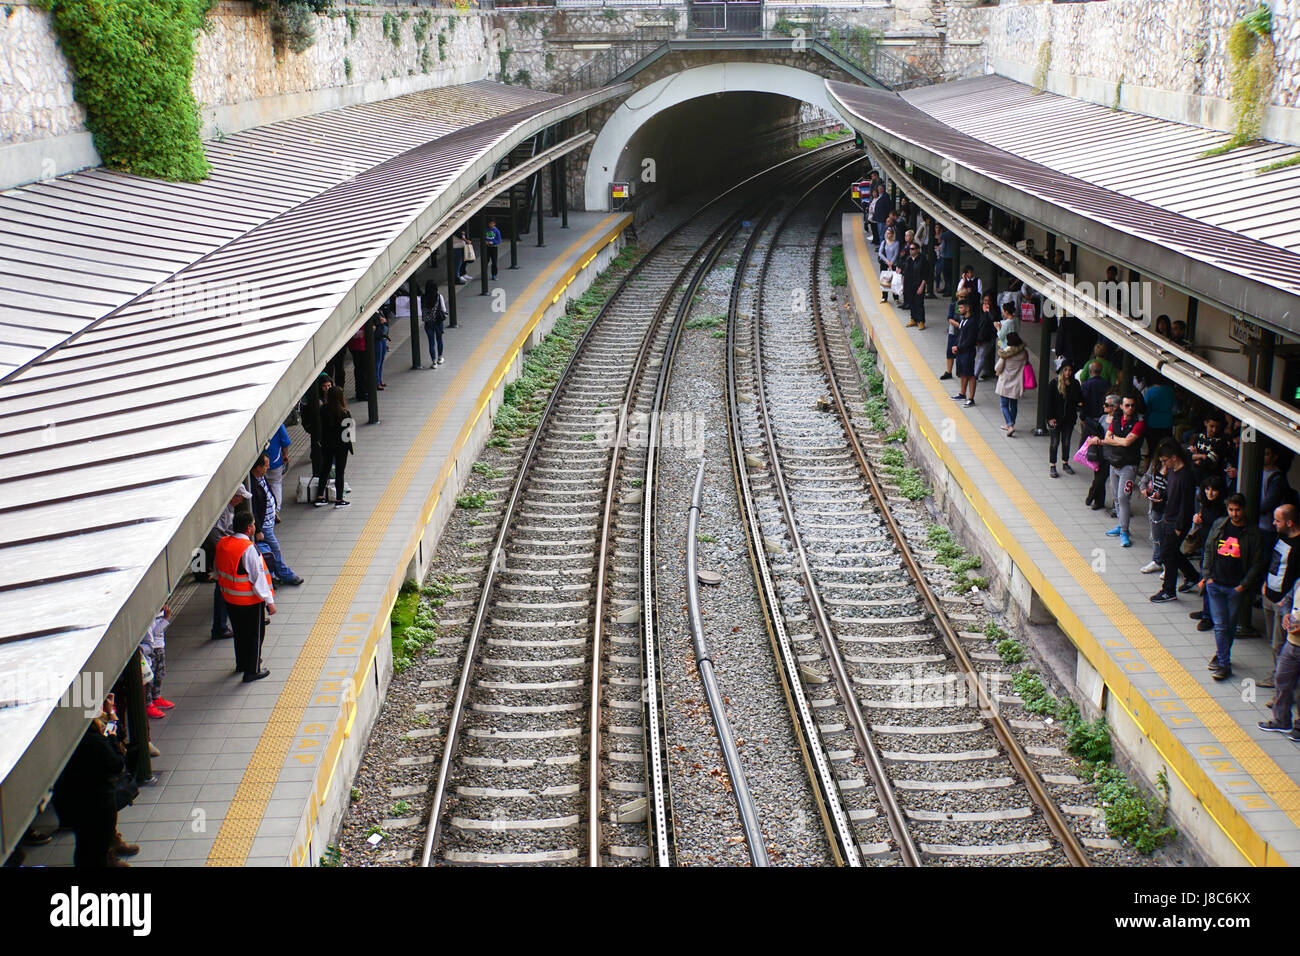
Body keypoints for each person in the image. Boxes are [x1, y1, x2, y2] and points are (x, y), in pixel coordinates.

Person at [52, 705, 131, 867]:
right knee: (95, 847)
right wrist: (110, 715)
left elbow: (115, 736)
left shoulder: (71, 738)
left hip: (77, 803)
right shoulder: (94, 740)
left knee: (85, 846)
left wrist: (110, 715)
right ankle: (107, 858)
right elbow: (116, 760)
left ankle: (108, 855)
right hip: (97, 802)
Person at [1199, 493, 1265, 680]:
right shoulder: (1220, 525)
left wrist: (1243, 586)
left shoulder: (1253, 533)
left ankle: (1221, 655)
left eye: (1237, 510)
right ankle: (1224, 664)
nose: (1234, 514)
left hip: (1235, 587)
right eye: (1231, 510)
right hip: (1216, 583)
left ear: (1243, 510)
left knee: (1229, 626)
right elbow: (1209, 549)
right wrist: (1207, 576)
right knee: (1220, 625)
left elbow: (1256, 563)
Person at [217, 508, 275, 682]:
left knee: (240, 633)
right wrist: (269, 601)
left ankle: (242, 663)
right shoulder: (248, 549)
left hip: (230, 599)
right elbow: (258, 579)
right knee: (255, 634)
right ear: (249, 528)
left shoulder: (223, 543)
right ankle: (253, 669)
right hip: (249, 601)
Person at [1150, 440, 1199, 602]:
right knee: (1172, 553)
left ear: (1174, 457)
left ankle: (1168, 590)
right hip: (1168, 518)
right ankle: (1192, 576)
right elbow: (1170, 493)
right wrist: (1161, 495)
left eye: (1165, 461)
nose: (1164, 465)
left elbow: (1186, 504)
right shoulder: (1172, 472)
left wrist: (1179, 527)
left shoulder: (1186, 476)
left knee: (1167, 555)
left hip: (1177, 523)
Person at [1259, 504, 1300, 690]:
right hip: (1269, 593)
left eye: (1278, 520)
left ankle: (1282, 684)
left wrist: (1287, 601)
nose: (1274, 523)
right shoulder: (1280, 536)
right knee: (1273, 642)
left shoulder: (1298, 547)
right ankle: (1278, 677)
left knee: (1279, 645)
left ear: (1290, 523)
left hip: (1283, 602)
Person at [205, 485, 252, 639]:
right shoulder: (223, 511)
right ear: (234, 496)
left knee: (224, 589)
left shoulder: (228, 509)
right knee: (222, 590)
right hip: (225, 556)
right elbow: (215, 534)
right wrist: (229, 548)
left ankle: (223, 625)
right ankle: (219, 627)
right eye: (240, 497)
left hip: (226, 553)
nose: (241, 500)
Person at [250, 452, 304, 586]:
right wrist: (259, 529)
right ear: (258, 467)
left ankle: (272, 575)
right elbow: (254, 510)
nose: (268, 468)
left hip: (268, 521)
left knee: (269, 550)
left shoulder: (261, 478)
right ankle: (286, 575)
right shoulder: (251, 484)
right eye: (266, 466)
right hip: (264, 526)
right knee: (275, 550)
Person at [1100, 394, 1146, 548]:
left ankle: (1124, 530)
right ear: (1121, 406)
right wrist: (1121, 440)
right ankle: (1121, 524)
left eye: (1132, 405)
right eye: (1127, 405)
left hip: (1129, 465)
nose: (1130, 408)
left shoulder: (1138, 423)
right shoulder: (1116, 419)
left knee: (1123, 497)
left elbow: (1127, 442)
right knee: (1115, 496)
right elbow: (1107, 438)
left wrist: (1116, 439)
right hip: (1115, 463)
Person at [1259, 590, 1300, 740]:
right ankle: (1281, 720)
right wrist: (1286, 615)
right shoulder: (1298, 583)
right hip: (1292, 644)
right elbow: (1288, 600)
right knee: (1282, 680)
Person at [321, 385, 355, 509]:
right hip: (342, 446)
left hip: (327, 445)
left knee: (325, 469)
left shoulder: (323, 410)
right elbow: (350, 431)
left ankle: (320, 497)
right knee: (340, 472)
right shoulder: (345, 413)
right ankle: (339, 499)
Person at [1047, 361, 1083, 478]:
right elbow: (1049, 402)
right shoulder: (1054, 383)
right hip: (1056, 418)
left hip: (1069, 418)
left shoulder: (1075, 384)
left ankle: (1065, 463)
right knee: (1054, 442)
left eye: (1070, 370)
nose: (1068, 372)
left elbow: (1079, 399)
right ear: (1062, 370)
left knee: (1066, 441)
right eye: (1066, 370)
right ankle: (1052, 465)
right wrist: (1050, 418)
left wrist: (1080, 404)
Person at [303, 372, 333, 505]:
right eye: (325, 386)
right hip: (322, 435)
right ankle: (322, 493)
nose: (327, 388)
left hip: (328, 435)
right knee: (326, 463)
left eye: (329, 385)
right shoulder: (317, 402)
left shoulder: (333, 397)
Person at [141, 604, 174, 719]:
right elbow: (153, 634)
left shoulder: (159, 612)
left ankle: (156, 696)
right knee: (150, 676)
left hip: (159, 646)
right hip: (153, 648)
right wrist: (166, 619)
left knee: (160, 672)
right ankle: (148, 703)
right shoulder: (149, 616)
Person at [1259, 444, 1293, 554]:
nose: (1263, 457)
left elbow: (1269, 504)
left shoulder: (1277, 478)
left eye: (1267, 454)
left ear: (1275, 457)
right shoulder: (1259, 471)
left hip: (1267, 527)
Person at [994, 331, 1028, 437]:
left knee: (1004, 404)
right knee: (1013, 404)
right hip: (1017, 382)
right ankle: (1011, 423)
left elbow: (998, 367)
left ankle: (1009, 425)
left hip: (1005, 381)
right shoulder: (1023, 353)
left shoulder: (1006, 352)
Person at [1138, 453, 1168, 573]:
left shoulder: (1175, 471)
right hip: (1155, 505)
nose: (1164, 462)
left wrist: (1163, 495)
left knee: (1167, 537)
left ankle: (1167, 564)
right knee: (1156, 536)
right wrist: (1143, 488)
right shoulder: (1155, 465)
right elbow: (1145, 478)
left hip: (1168, 507)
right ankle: (1157, 560)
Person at [950, 298, 978, 407]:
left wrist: (959, 347)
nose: (959, 310)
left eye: (961, 307)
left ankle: (971, 398)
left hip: (968, 352)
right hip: (961, 351)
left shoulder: (972, 322)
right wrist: (955, 345)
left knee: (970, 374)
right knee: (962, 373)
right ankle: (962, 393)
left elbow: (970, 339)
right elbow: (961, 335)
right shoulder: (963, 320)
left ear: (967, 308)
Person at [1141, 374, 1175, 464]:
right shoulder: (1170, 391)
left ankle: (1154, 466)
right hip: (1167, 422)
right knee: (1166, 447)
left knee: (1153, 448)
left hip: (1152, 422)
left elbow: (1146, 408)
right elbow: (1173, 405)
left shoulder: (1150, 392)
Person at [1188, 414, 1230, 486]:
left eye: (1217, 427)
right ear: (1205, 423)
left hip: (1207, 483)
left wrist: (1195, 457)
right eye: (1212, 426)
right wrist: (1202, 456)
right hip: (1192, 478)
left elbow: (1208, 462)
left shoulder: (1221, 442)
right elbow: (1187, 454)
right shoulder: (1199, 436)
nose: (1214, 430)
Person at [263, 423, 292, 516]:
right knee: (276, 484)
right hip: (275, 460)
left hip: (259, 463)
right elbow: (285, 441)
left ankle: (266, 510)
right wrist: (285, 455)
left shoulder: (256, 424)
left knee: (262, 485)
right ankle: (276, 509)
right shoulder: (277, 423)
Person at [940, 292, 969, 381]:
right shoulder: (953, 305)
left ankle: (960, 372)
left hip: (963, 333)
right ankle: (948, 371)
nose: (962, 298)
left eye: (964, 297)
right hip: (954, 331)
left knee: (960, 351)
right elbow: (949, 318)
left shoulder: (968, 307)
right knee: (950, 351)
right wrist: (958, 324)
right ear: (957, 296)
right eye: (961, 296)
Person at [900, 241, 927, 330]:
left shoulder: (922, 260)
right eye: (910, 249)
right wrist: (903, 285)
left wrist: (922, 286)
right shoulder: (908, 259)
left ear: (918, 250)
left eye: (913, 249)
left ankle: (921, 321)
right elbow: (904, 273)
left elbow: (925, 274)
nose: (911, 251)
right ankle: (913, 319)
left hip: (918, 284)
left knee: (919, 303)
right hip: (909, 285)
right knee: (911, 302)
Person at [423, 279, 448, 368]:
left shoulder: (423, 297)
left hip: (428, 323)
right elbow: (444, 309)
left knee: (431, 342)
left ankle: (434, 362)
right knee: (439, 339)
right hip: (438, 322)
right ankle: (440, 358)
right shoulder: (439, 296)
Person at [374, 307, 391, 390]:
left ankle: (379, 380)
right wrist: (379, 322)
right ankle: (377, 382)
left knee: (380, 361)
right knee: (377, 362)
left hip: (382, 337)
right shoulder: (372, 313)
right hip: (377, 338)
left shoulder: (380, 311)